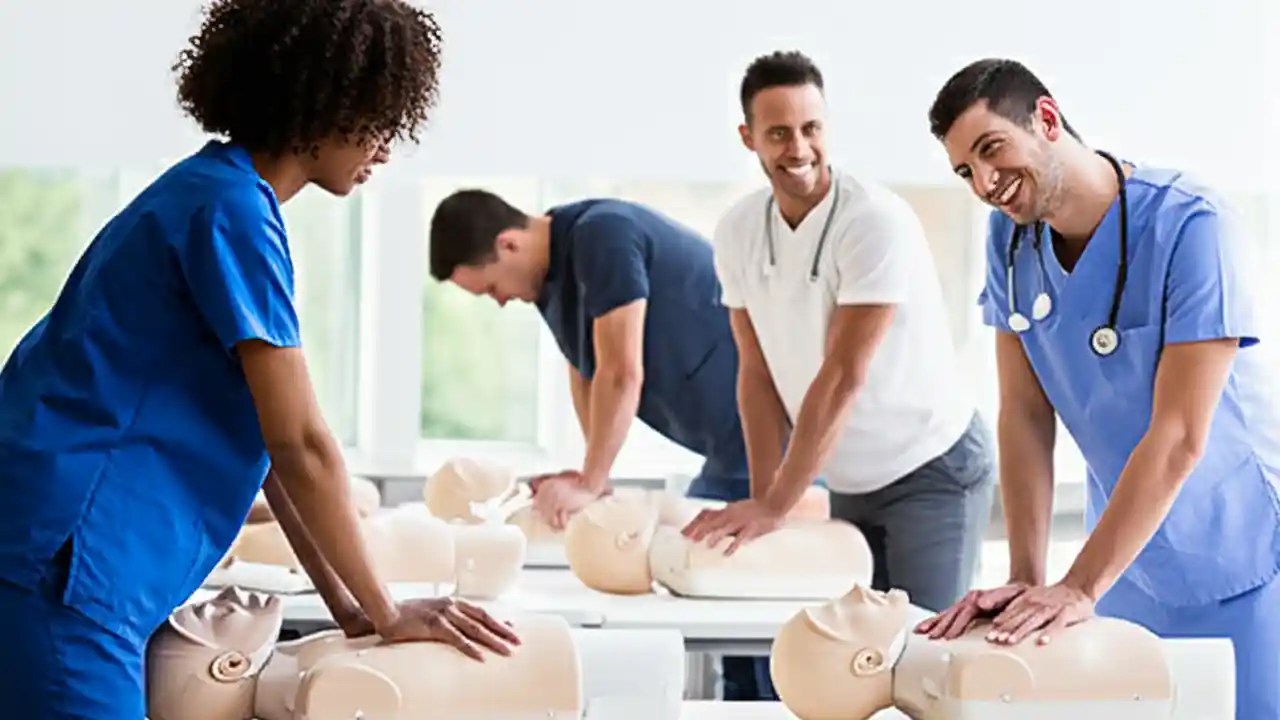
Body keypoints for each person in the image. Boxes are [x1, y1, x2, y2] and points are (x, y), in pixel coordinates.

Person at [0, 1, 518, 716]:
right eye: (380, 119)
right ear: (328, 104)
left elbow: (270, 448)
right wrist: (390, 608)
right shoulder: (231, 212)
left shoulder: (208, 193)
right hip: (66, 561)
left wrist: (349, 605)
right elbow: (302, 442)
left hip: (52, 550)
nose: (386, 148)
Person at [914, 58, 1280, 720]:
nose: (986, 183)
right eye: (965, 171)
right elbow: (1024, 417)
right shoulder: (1008, 243)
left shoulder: (1192, 226)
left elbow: (1178, 435)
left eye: (992, 149)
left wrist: (1078, 586)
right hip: (1127, 567)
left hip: (1246, 555)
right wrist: (1027, 577)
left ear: (1047, 120)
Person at [683, 49, 996, 666]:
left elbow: (844, 374)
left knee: (925, 662)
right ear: (748, 138)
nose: (798, 148)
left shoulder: (873, 221)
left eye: (811, 128)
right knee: (861, 663)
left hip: (931, 468)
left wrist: (776, 505)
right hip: (852, 479)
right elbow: (757, 376)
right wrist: (764, 495)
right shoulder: (738, 231)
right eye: (778, 133)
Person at [427, 189, 787, 700]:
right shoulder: (548, 283)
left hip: (772, 442)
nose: (500, 302)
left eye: (489, 290)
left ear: (508, 245)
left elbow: (621, 371)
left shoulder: (602, 234)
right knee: (732, 641)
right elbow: (588, 372)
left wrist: (594, 480)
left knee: (758, 625)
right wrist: (590, 477)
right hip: (729, 451)